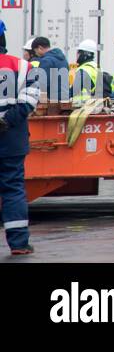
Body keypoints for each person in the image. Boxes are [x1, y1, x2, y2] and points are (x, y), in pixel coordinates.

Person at [0, 48, 40, 255]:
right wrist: (6, 121)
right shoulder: (23, 66)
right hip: (11, 138)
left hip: (10, 136)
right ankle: (18, 243)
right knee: (13, 188)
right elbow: (29, 102)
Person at [29, 37, 69, 104]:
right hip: (64, 98)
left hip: (53, 100)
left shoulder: (46, 61)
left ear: (40, 48)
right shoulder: (63, 59)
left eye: (35, 51)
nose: (36, 54)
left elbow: (42, 83)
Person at [70, 40, 107, 106]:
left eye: (78, 53)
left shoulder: (84, 69)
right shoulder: (97, 67)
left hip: (82, 106)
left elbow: (73, 91)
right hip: (94, 105)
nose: (77, 55)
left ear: (83, 54)